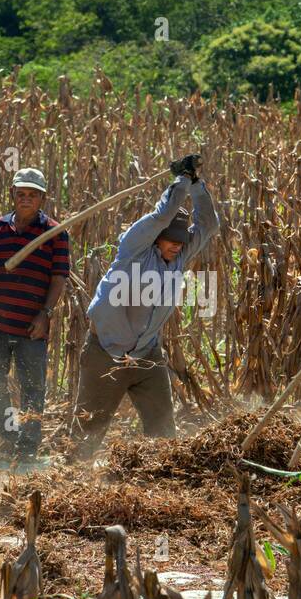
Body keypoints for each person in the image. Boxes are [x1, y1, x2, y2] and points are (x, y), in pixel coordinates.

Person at [70, 153, 220, 460]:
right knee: (87, 433)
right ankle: (69, 482)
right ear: (157, 239)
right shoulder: (134, 249)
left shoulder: (178, 256)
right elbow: (162, 217)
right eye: (170, 240)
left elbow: (208, 224)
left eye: (181, 240)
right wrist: (179, 180)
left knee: (163, 431)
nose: (177, 244)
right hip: (106, 352)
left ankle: (160, 483)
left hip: (146, 355)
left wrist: (195, 184)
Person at [0, 167, 69, 464]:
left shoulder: (55, 233)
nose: (25, 199)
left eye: (32, 195)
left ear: (42, 198)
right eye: (21, 194)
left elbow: (59, 277)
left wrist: (45, 313)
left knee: (32, 386)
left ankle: (28, 447)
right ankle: (7, 436)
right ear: (13, 195)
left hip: (31, 324)